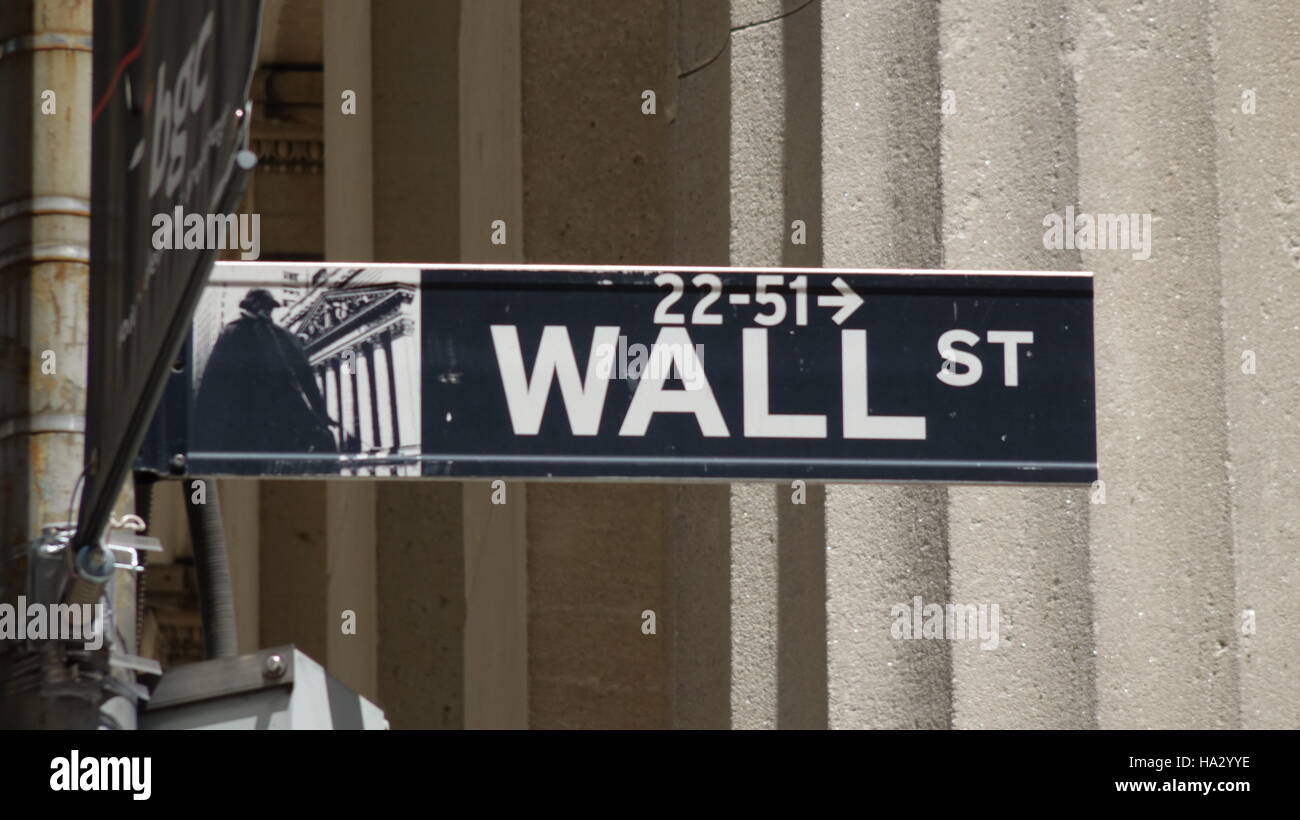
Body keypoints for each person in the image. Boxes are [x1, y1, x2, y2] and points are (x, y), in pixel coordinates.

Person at [192, 288, 338, 460]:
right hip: (252, 417)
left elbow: (306, 377)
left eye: (268, 308)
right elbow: (215, 381)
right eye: (263, 307)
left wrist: (320, 413)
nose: (266, 311)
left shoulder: (279, 336)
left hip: (266, 418)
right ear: (252, 307)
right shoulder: (237, 332)